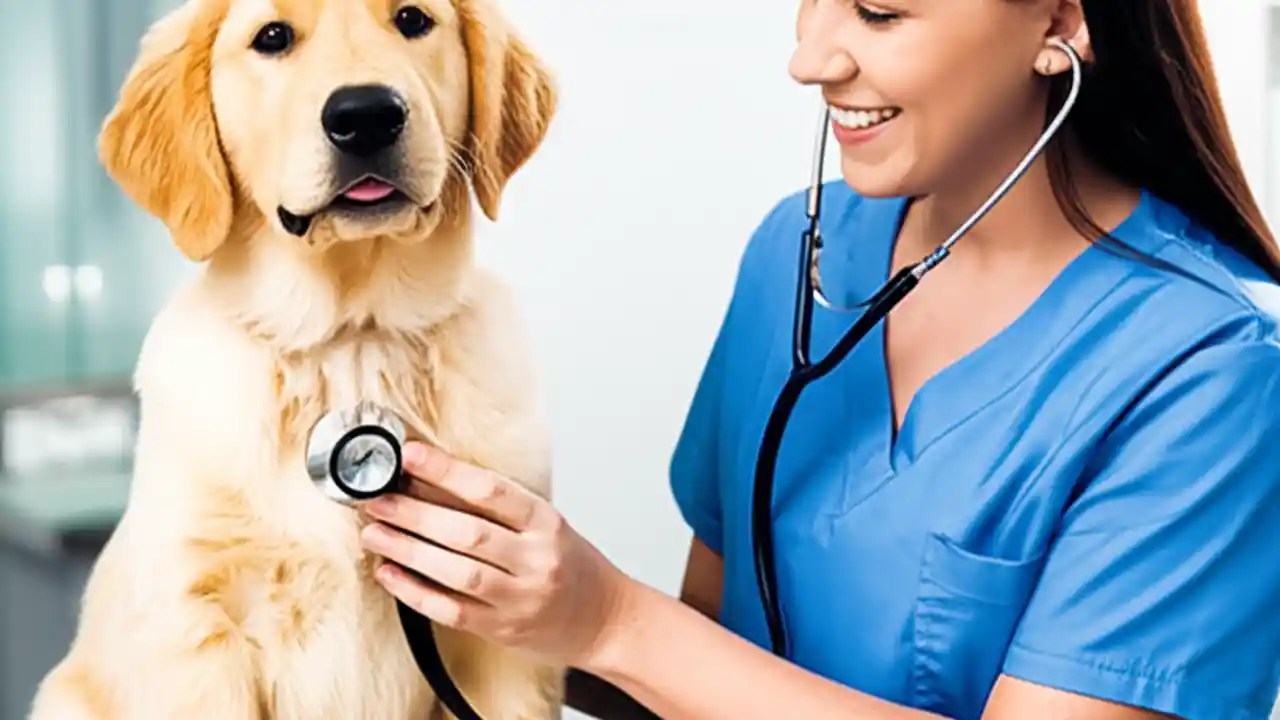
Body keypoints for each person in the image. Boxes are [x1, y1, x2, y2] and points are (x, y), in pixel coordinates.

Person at [356, 0, 1280, 718]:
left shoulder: (1209, 374)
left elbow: (643, 637)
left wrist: (607, 619)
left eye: (879, 11)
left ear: (1061, 20)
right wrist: (480, 596)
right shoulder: (799, 256)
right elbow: (696, 670)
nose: (811, 59)